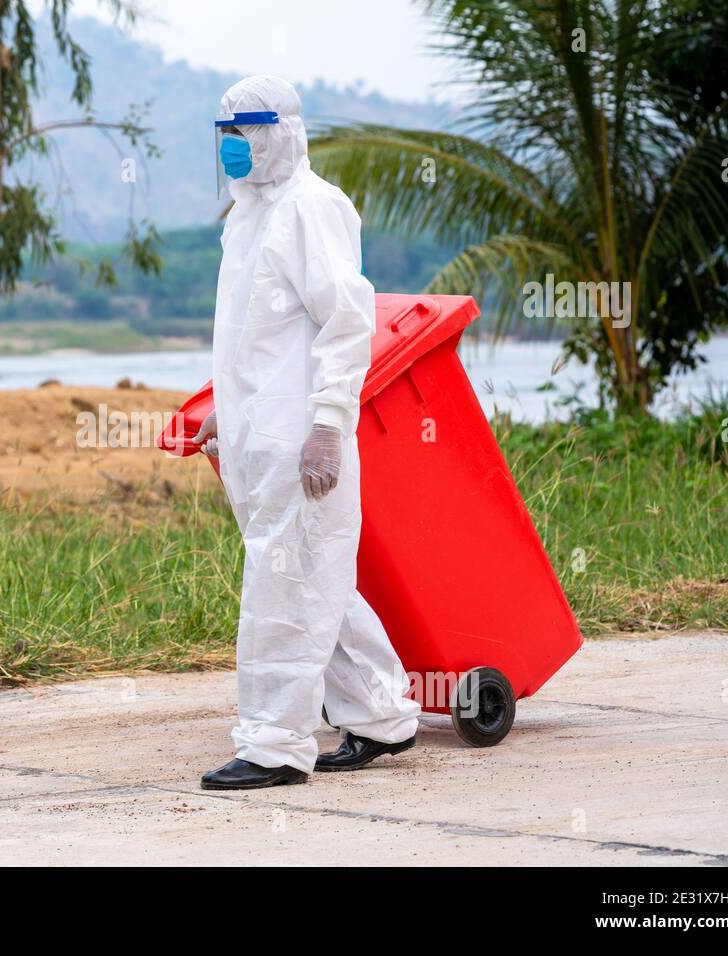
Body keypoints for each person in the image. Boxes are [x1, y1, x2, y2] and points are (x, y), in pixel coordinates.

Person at [194, 75, 420, 790]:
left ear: (282, 133)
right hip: (257, 447)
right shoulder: (248, 216)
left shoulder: (311, 209)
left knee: (283, 590)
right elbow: (250, 339)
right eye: (225, 134)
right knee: (315, 583)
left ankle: (274, 744)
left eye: (247, 132)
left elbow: (348, 324)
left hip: (301, 447)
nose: (234, 147)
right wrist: (221, 417)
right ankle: (382, 715)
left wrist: (328, 426)